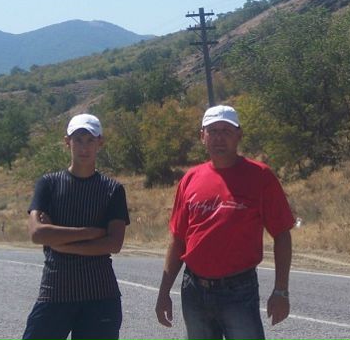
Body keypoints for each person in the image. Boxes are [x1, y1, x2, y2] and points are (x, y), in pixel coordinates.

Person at [155, 104, 295, 340]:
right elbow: (178, 239)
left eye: (226, 131)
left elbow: (282, 234)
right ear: (202, 136)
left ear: (239, 135)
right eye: (213, 131)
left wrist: (281, 291)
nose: (219, 138)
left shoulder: (260, 177)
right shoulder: (190, 178)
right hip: (194, 289)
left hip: (238, 291)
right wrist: (163, 292)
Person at [22, 113, 130, 340]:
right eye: (78, 140)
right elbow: (37, 233)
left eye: (90, 140)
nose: (84, 147)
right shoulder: (48, 184)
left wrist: (61, 244)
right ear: (67, 142)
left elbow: (113, 243)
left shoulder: (112, 190)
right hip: (55, 291)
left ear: (100, 143)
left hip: (100, 295)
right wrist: (90, 233)